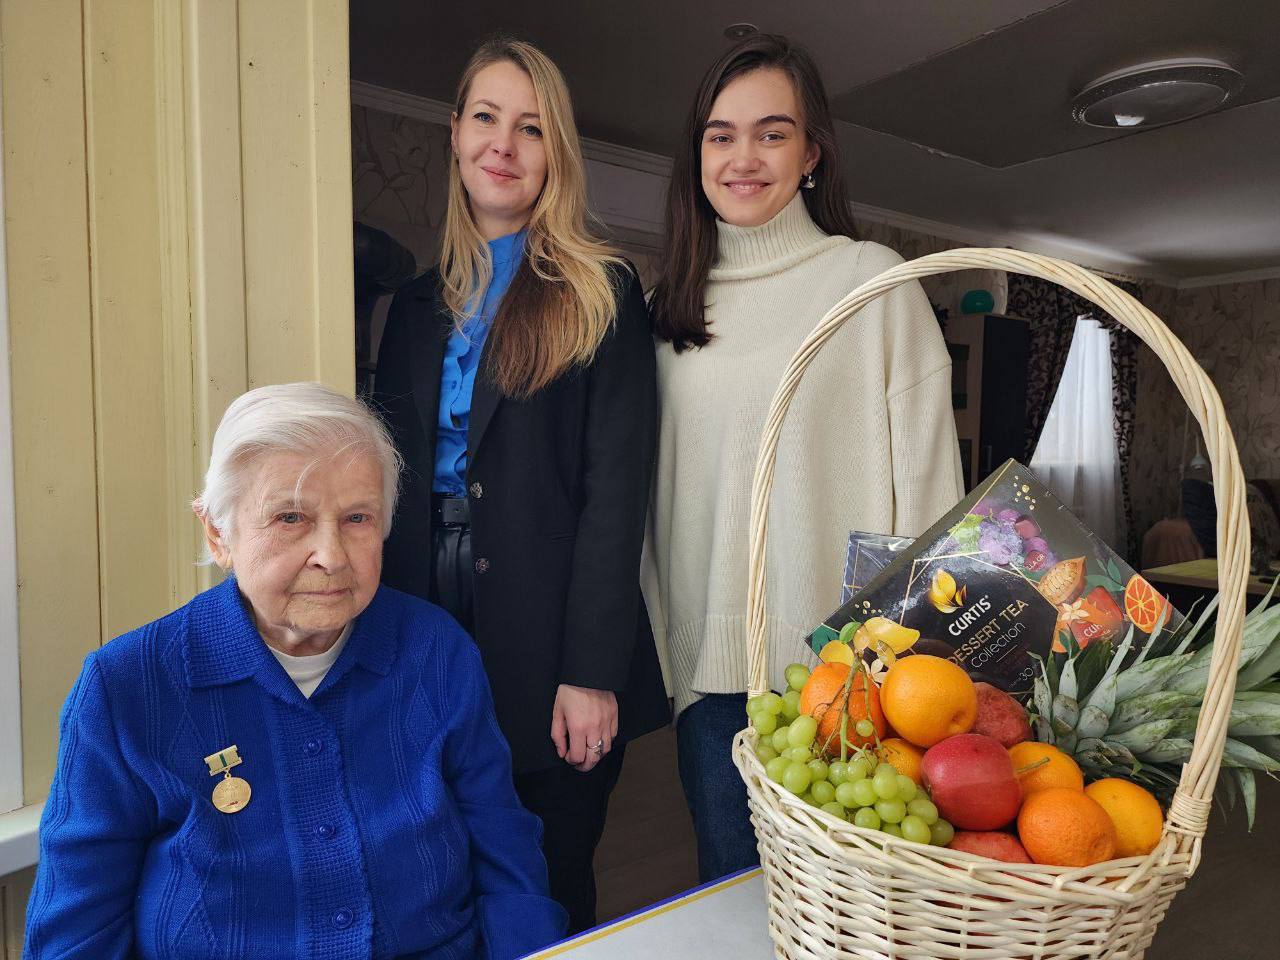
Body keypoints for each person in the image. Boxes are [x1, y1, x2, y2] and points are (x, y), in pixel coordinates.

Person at [23, 382, 566, 959]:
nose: (331, 556)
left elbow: (507, 859)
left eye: (357, 517)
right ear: (218, 533)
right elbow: (74, 935)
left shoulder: (436, 651)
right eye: (290, 517)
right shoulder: (126, 688)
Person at [645, 34, 964, 882]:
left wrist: (912, 662)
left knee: (853, 916)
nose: (743, 157)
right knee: (733, 902)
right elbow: (650, 502)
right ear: (697, 155)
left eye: (772, 133)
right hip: (711, 682)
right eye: (721, 135)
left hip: (850, 675)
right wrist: (667, 655)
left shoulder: (872, 284)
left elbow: (933, 492)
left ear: (812, 152)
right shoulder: (665, 308)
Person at [374, 37, 668, 934]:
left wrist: (589, 673)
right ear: (455, 132)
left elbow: (616, 496)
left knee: (546, 879)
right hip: (423, 617)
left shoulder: (602, 290)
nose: (503, 144)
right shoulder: (412, 306)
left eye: (531, 128)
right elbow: (388, 487)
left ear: (556, 154)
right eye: (486, 118)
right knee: (437, 869)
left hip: (554, 633)